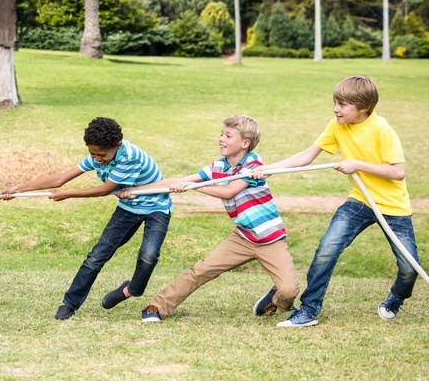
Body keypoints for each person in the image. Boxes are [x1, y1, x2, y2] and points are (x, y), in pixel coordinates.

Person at [253, 76, 420, 327]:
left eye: (342, 104)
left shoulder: (381, 129)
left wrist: (357, 165)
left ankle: (396, 298)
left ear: (362, 107)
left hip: (393, 208)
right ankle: (309, 310)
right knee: (327, 249)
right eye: (335, 102)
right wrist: (271, 169)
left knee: (409, 268)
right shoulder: (337, 125)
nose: (335, 109)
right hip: (360, 202)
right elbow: (307, 155)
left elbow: (398, 172)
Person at [120, 116, 298, 323]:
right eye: (221, 134)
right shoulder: (218, 167)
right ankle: (157, 307)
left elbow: (229, 192)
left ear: (245, 143)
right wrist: (134, 191)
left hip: (271, 239)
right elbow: (179, 180)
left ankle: (275, 298)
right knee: (201, 271)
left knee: (289, 291)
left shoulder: (253, 164)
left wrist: (193, 186)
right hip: (243, 237)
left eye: (228, 136)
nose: (221, 139)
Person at [1, 117, 172, 320]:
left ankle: (132, 289)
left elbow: (105, 190)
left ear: (117, 145)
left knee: (149, 255)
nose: (97, 159)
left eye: (102, 155)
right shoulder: (96, 155)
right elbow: (60, 179)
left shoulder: (129, 157)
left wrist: (68, 194)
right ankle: (69, 303)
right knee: (97, 256)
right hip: (128, 207)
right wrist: (17, 188)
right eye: (93, 153)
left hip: (157, 206)